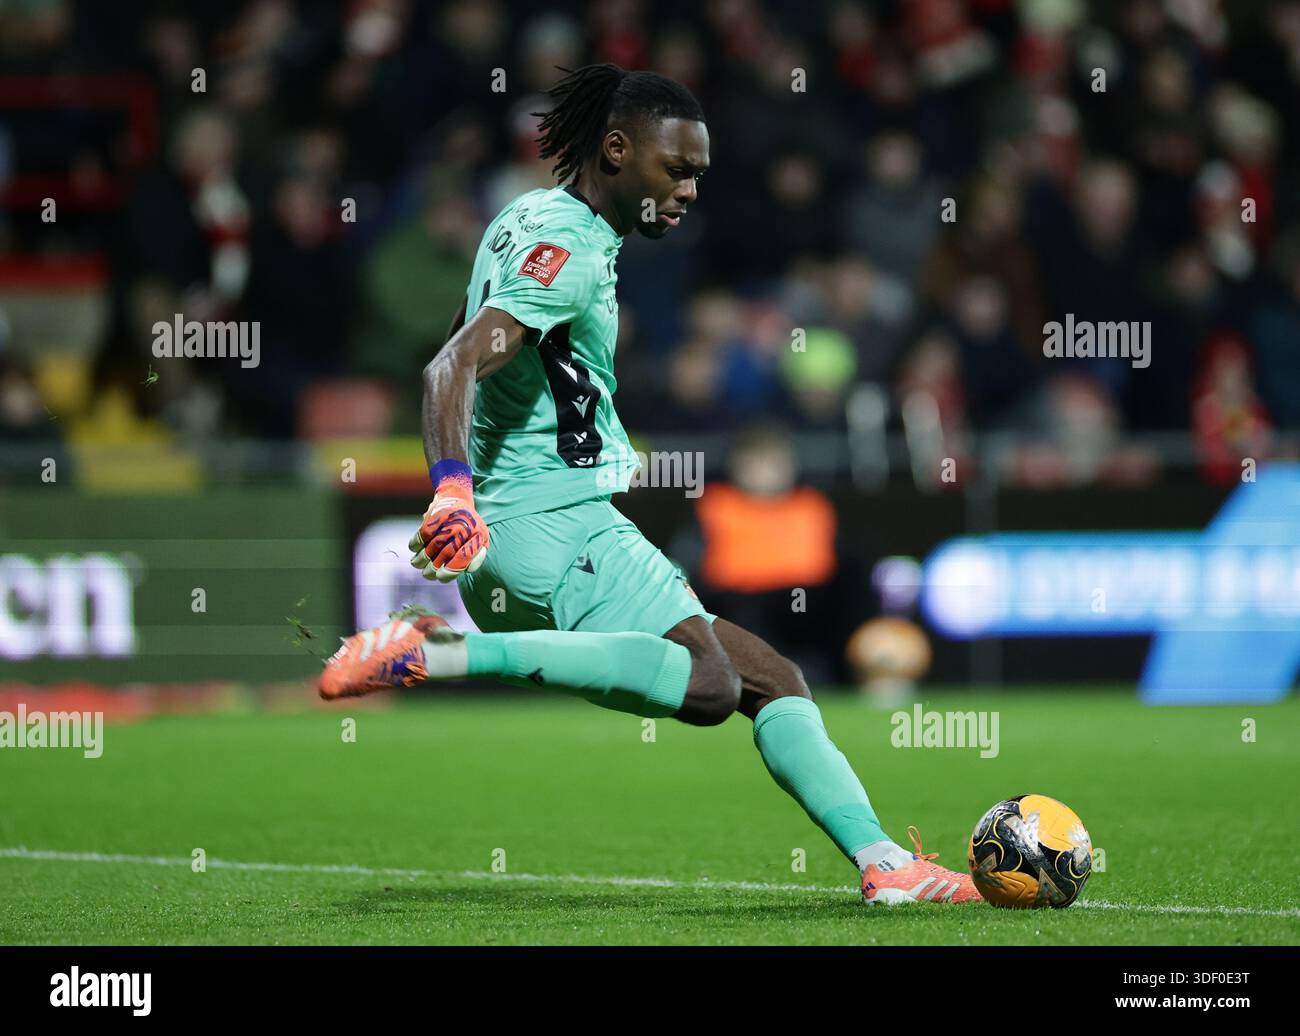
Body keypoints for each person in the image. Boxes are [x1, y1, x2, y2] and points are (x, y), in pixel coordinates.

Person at [319, 63, 979, 906]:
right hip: (557, 523)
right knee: (708, 685)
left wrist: (462, 492)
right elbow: (451, 363)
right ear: (618, 149)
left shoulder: (522, 218)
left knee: (772, 678)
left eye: (700, 174)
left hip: (507, 540)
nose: (691, 190)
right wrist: (452, 490)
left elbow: (460, 346)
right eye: (677, 170)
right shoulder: (571, 254)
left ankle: (884, 863)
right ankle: (438, 652)